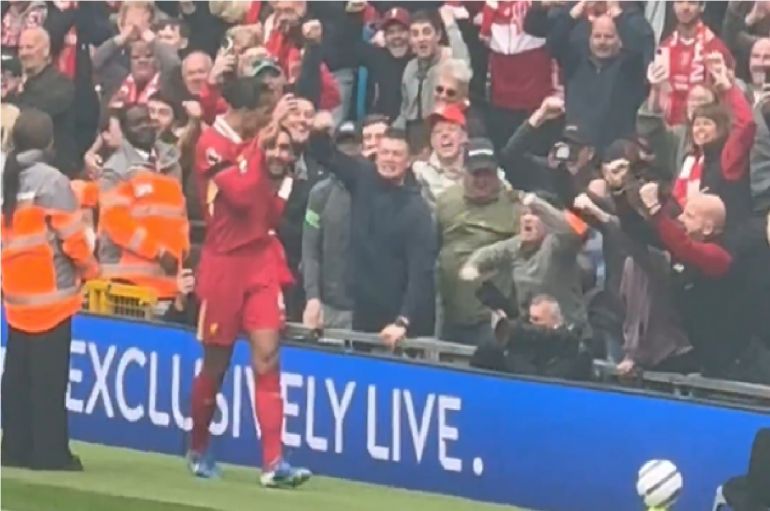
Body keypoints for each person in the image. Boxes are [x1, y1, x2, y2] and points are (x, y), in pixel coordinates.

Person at [190, 81, 311, 486]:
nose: (269, 123)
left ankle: (273, 463)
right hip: (223, 265)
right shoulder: (213, 145)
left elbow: (268, 213)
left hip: (260, 262)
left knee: (268, 358)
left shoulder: (272, 156)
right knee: (216, 363)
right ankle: (198, 447)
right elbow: (241, 196)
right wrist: (263, 143)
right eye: (265, 114)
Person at [1, 109, 100, 471]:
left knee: (18, 377)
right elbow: (73, 239)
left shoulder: (7, 176)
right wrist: (90, 269)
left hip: (16, 293)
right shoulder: (52, 181)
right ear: (49, 141)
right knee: (48, 380)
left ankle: (14, 447)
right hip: (50, 295)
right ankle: (49, 452)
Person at [308, 112, 437, 345]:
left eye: (396, 154)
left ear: (408, 161)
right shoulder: (362, 176)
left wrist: (403, 321)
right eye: (385, 152)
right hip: (362, 313)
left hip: (399, 323)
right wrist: (319, 130)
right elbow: (324, 154)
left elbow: (421, 273)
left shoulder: (417, 210)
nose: (389, 159)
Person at [638, 184, 770, 382]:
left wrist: (656, 210)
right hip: (704, 356)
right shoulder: (682, 245)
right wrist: (621, 193)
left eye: (690, 216)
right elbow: (646, 232)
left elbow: (686, 247)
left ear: (708, 228)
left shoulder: (720, 255)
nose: (681, 219)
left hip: (737, 364)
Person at [460, 191, 590, 334]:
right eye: (524, 214)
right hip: (530, 329)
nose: (527, 219)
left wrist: (536, 203)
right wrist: (473, 267)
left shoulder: (558, 246)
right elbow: (487, 254)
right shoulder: (516, 245)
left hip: (566, 330)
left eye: (535, 215)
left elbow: (568, 231)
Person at [97, 103, 189, 304]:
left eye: (147, 120)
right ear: (124, 130)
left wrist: (183, 252)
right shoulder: (116, 170)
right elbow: (116, 223)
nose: (145, 126)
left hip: (171, 283)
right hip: (128, 286)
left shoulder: (171, 164)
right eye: (136, 123)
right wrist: (158, 252)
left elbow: (179, 215)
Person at [436, 138, 520, 345]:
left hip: (490, 318)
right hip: (449, 314)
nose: (482, 180)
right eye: (476, 173)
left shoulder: (513, 205)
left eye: (487, 173)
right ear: (464, 171)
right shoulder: (446, 201)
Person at [540, 5, 653, 151]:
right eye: (597, 36)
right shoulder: (575, 62)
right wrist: (572, 15)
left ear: (620, 39)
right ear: (589, 37)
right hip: (578, 147)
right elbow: (554, 44)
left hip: (615, 150)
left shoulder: (630, 67)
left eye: (609, 36)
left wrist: (619, 16)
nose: (602, 42)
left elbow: (643, 43)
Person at [671, 53, 756, 226]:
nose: (700, 129)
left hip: (726, 234)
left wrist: (728, 88)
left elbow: (746, 124)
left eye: (707, 124)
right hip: (690, 229)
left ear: (720, 129)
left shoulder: (727, 155)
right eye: (697, 124)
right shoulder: (692, 160)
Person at [480, 0, 557, 151]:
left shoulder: (539, 6)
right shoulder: (490, 6)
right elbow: (484, 38)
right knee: (503, 142)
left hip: (535, 89)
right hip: (500, 91)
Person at [394, 7, 469, 152]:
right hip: (413, 132)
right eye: (415, 34)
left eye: (426, 32)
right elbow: (405, 110)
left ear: (438, 35)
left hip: (443, 128)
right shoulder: (410, 68)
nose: (421, 39)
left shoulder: (450, 60)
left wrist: (450, 25)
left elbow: (463, 65)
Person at [7, 27, 77, 177]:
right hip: (16, 163)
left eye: (29, 47)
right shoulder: (18, 86)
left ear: (46, 51)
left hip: (50, 167)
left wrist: (16, 95)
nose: (23, 53)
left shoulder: (61, 84)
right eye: (21, 48)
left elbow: (34, 117)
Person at [471, 295, 592, 381]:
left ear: (556, 321)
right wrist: (506, 337)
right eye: (530, 319)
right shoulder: (517, 347)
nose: (531, 324)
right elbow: (480, 361)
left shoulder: (574, 351)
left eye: (537, 320)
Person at [660, 0, 735, 126]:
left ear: (702, 6)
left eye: (692, 2)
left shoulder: (715, 47)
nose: (685, 7)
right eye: (679, 2)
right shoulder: (665, 47)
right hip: (671, 127)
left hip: (704, 126)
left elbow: (728, 93)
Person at [501, 96, 596, 194]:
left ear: (590, 153)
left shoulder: (596, 181)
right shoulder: (546, 172)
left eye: (575, 146)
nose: (568, 150)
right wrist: (540, 115)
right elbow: (510, 156)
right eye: (565, 143)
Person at [350, 6, 412, 120]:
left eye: (401, 30)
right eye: (391, 32)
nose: (396, 36)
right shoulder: (374, 56)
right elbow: (352, 43)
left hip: (410, 122)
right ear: (384, 35)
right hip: (378, 121)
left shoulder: (418, 59)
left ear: (410, 33)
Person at [412, 103, 469, 211]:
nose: (444, 134)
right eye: (438, 131)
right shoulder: (419, 174)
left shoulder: (480, 168)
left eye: (451, 129)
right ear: (432, 141)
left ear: (464, 136)